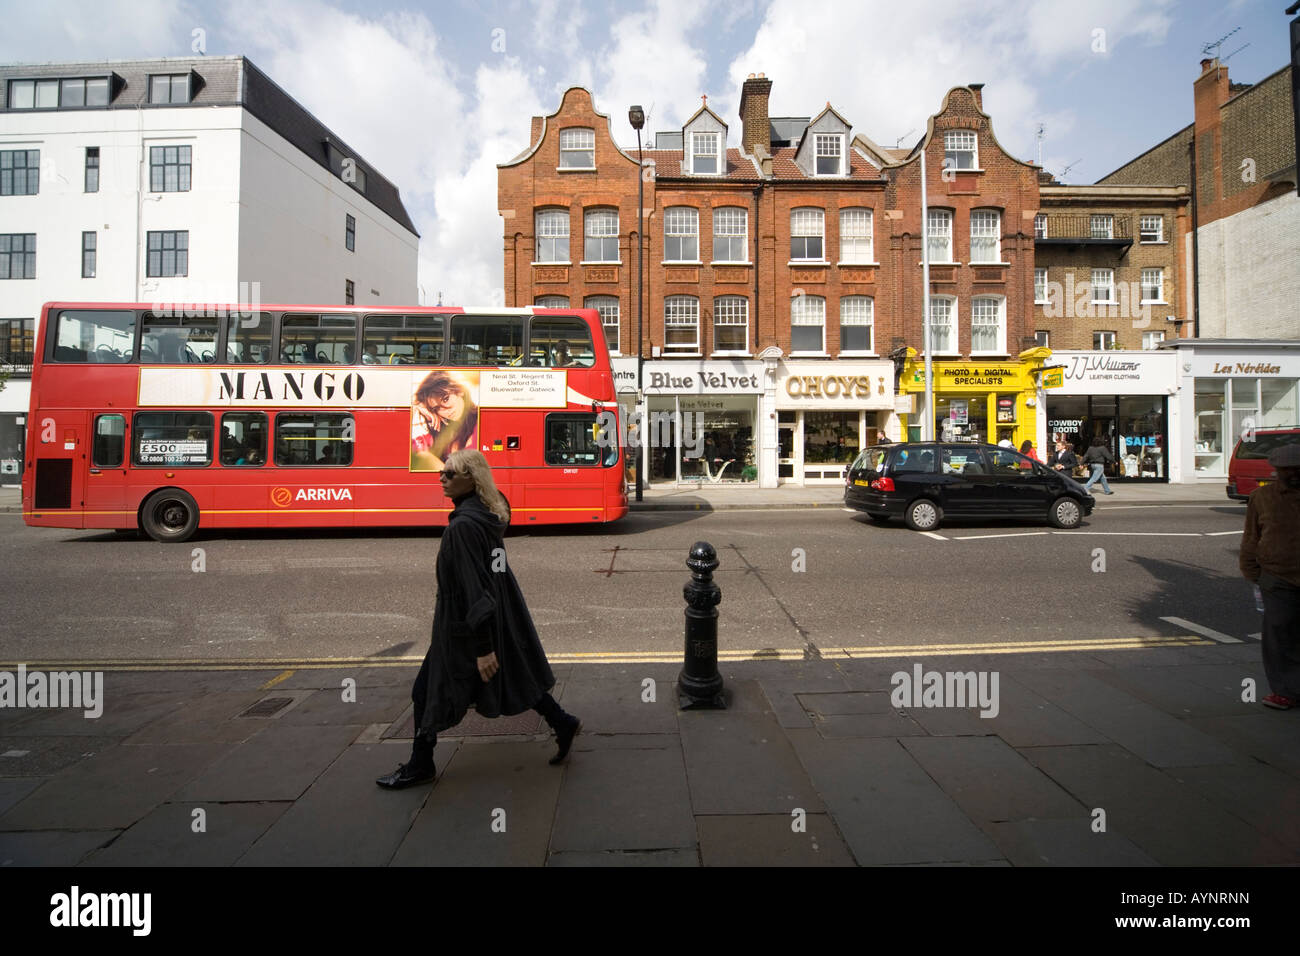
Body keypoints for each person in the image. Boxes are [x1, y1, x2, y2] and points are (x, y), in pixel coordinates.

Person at [377, 449, 580, 788]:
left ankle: (420, 765)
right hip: (494, 618)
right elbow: (492, 575)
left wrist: (484, 647)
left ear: (470, 479)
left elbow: (475, 589)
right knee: (514, 673)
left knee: (426, 691)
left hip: (464, 628)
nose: (441, 479)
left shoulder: (463, 528)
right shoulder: (487, 512)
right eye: (441, 473)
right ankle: (562, 721)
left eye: (449, 474)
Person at [1239, 443, 1300, 710]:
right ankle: (1285, 691)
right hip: (1277, 576)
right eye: (1287, 469)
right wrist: (1251, 570)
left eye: (1297, 468)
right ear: (1276, 470)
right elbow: (1252, 537)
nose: (1293, 473)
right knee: (1279, 636)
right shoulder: (1262, 498)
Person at [411, 371, 478, 471]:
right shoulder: (437, 435)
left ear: (459, 391)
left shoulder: (481, 422)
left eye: (445, 399)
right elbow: (405, 450)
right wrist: (416, 407)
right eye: (436, 408)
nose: (444, 410)